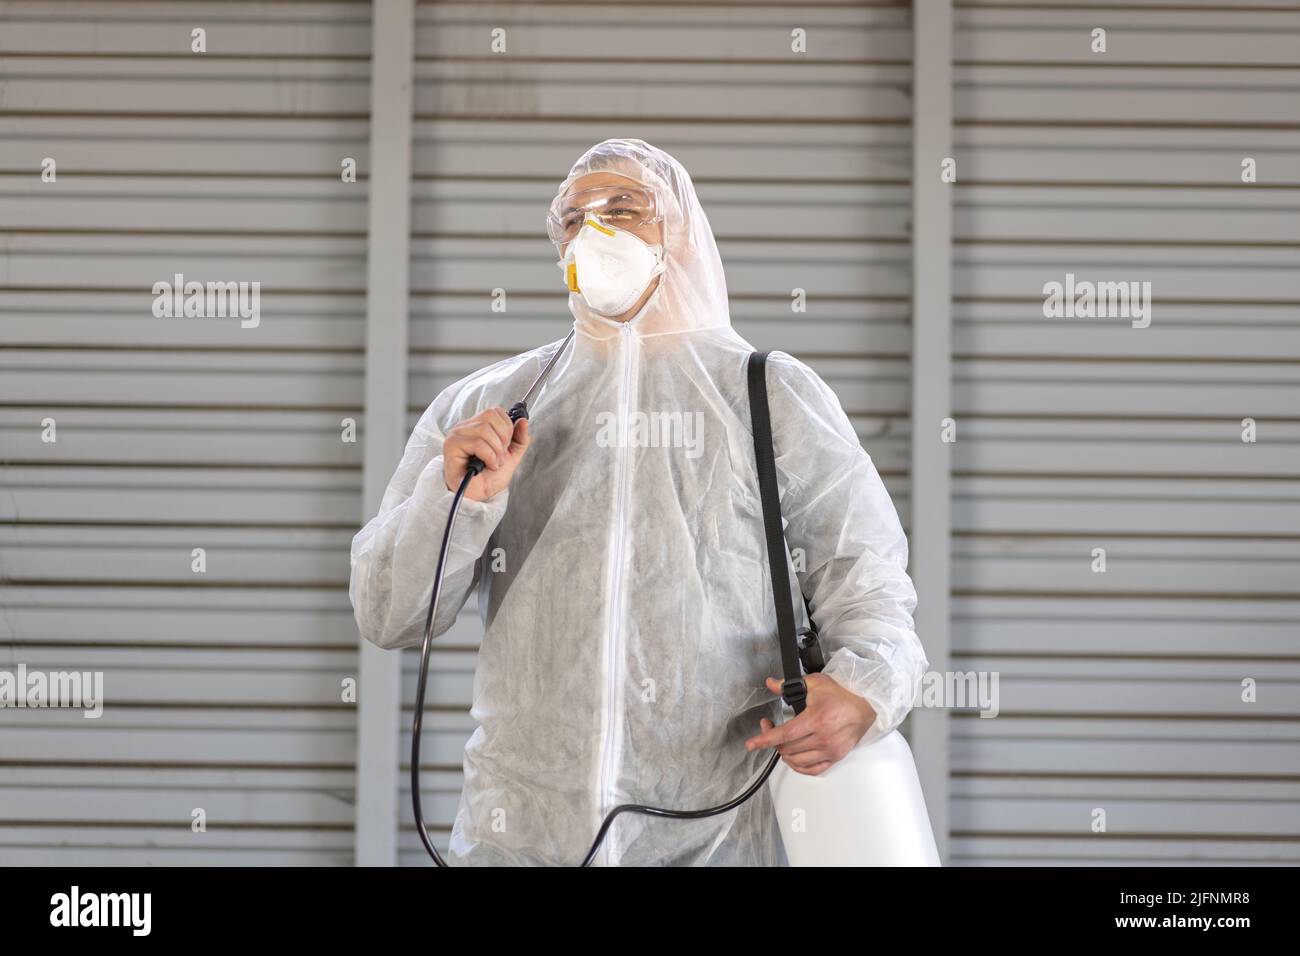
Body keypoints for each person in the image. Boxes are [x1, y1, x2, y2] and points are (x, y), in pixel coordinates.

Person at [349, 138, 928, 866]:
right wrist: (456, 501)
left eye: (624, 209)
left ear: (680, 232)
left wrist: (866, 693)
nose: (597, 233)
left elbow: (869, 586)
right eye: (574, 220)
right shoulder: (491, 409)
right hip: (518, 839)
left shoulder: (768, 396)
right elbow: (389, 613)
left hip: (709, 837)